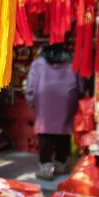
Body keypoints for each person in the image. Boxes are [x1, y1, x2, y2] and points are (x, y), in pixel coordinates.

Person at [25, 43, 82, 180]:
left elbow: (31, 86)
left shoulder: (38, 63)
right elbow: (81, 85)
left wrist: (31, 101)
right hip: (67, 100)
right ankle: (61, 164)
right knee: (64, 131)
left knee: (45, 133)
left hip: (44, 101)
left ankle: (46, 169)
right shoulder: (72, 62)